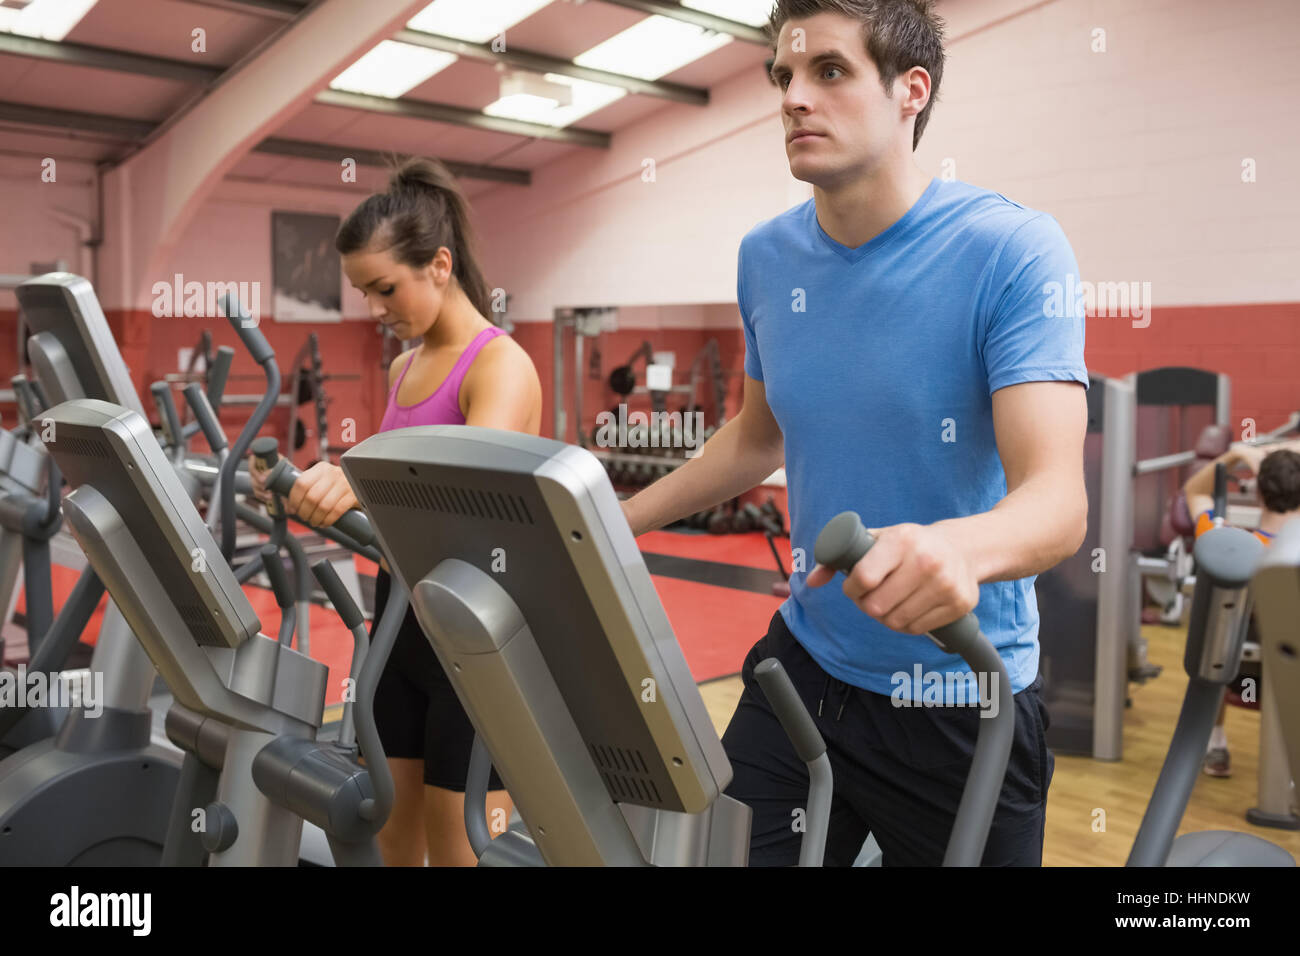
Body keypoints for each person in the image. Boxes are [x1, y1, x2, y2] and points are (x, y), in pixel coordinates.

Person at [622, 0, 1088, 865]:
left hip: (957, 694)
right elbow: (757, 438)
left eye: (828, 71)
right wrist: (615, 519)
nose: (795, 98)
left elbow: (1057, 504)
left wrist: (962, 549)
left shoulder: (1012, 251)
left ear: (912, 91)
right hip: (805, 668)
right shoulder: (766, 256)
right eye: (783, 77)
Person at [250, 157, 542, 865]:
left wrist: (361, 479)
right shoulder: (403, 369)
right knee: (389, 841)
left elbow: (470, 496)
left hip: (477, 639)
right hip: (401, 626)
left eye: (385, 289)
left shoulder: (499, 365)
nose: (375, 311)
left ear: (439, 265)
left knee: (460, 851)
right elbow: (393, 513)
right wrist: (303, 493)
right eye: (362, 293)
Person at [1181, 441, 1300, 777]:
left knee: (1215, 624)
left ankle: (1215, 743)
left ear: (1259, 494)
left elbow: (1193, 491)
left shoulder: (1225, 541)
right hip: (1289, 678)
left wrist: (1237, 455)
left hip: (1233, 669)